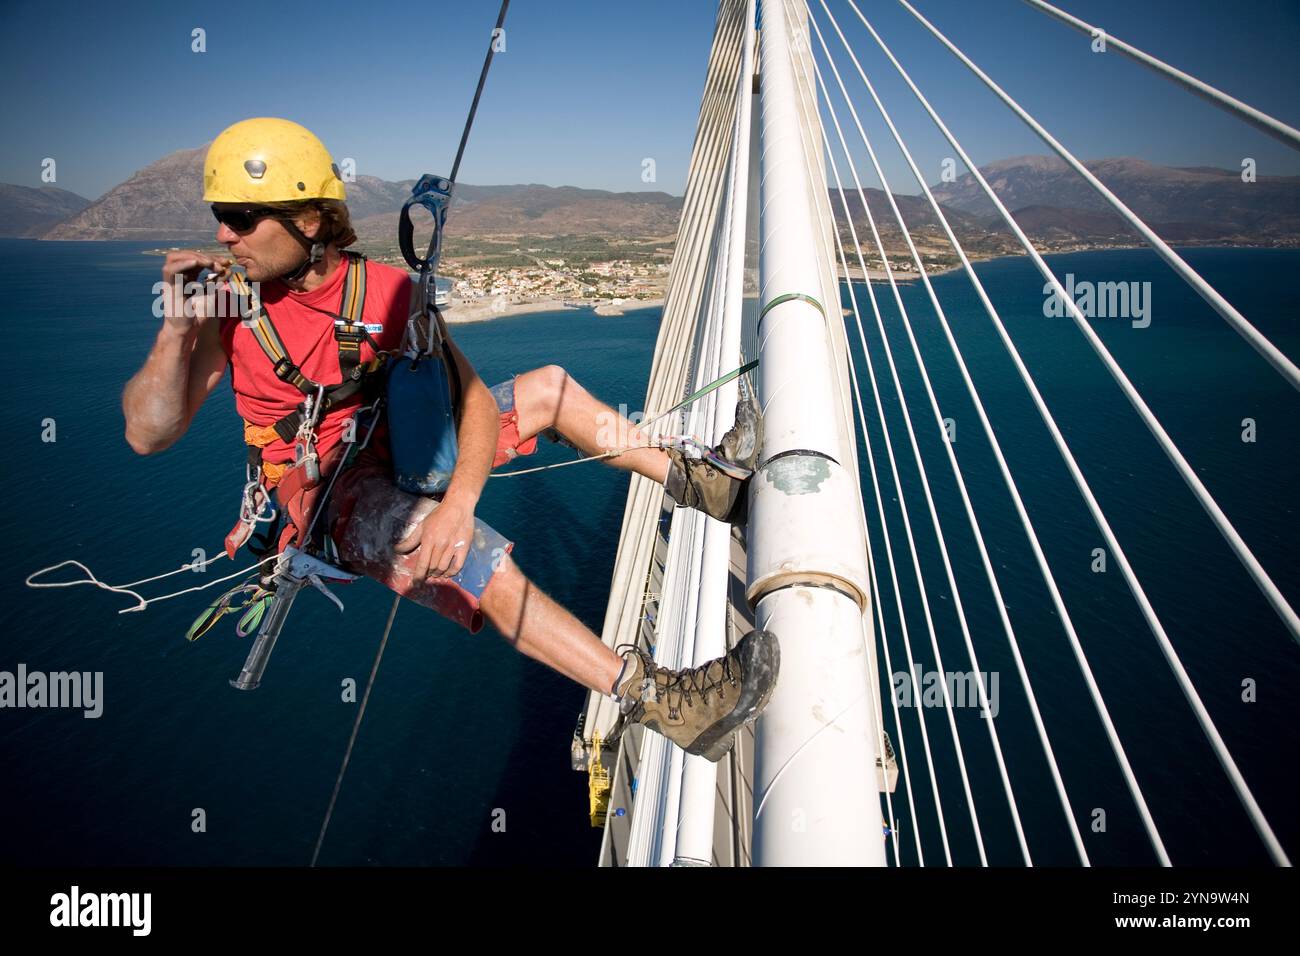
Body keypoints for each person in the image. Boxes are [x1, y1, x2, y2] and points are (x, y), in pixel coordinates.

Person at [121, 118, 778, 763]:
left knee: (547, 388)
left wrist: (460, 503)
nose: (222, 233)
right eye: (221, 214)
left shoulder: (386, 291)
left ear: (311, 220)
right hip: (324, 492)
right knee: (475, 559)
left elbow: (472, 403)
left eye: (242, 216)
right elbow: (147, 435)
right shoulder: (234, 310)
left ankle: (701, 484)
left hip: (398, 441)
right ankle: (663, 702)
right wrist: (177, 331)